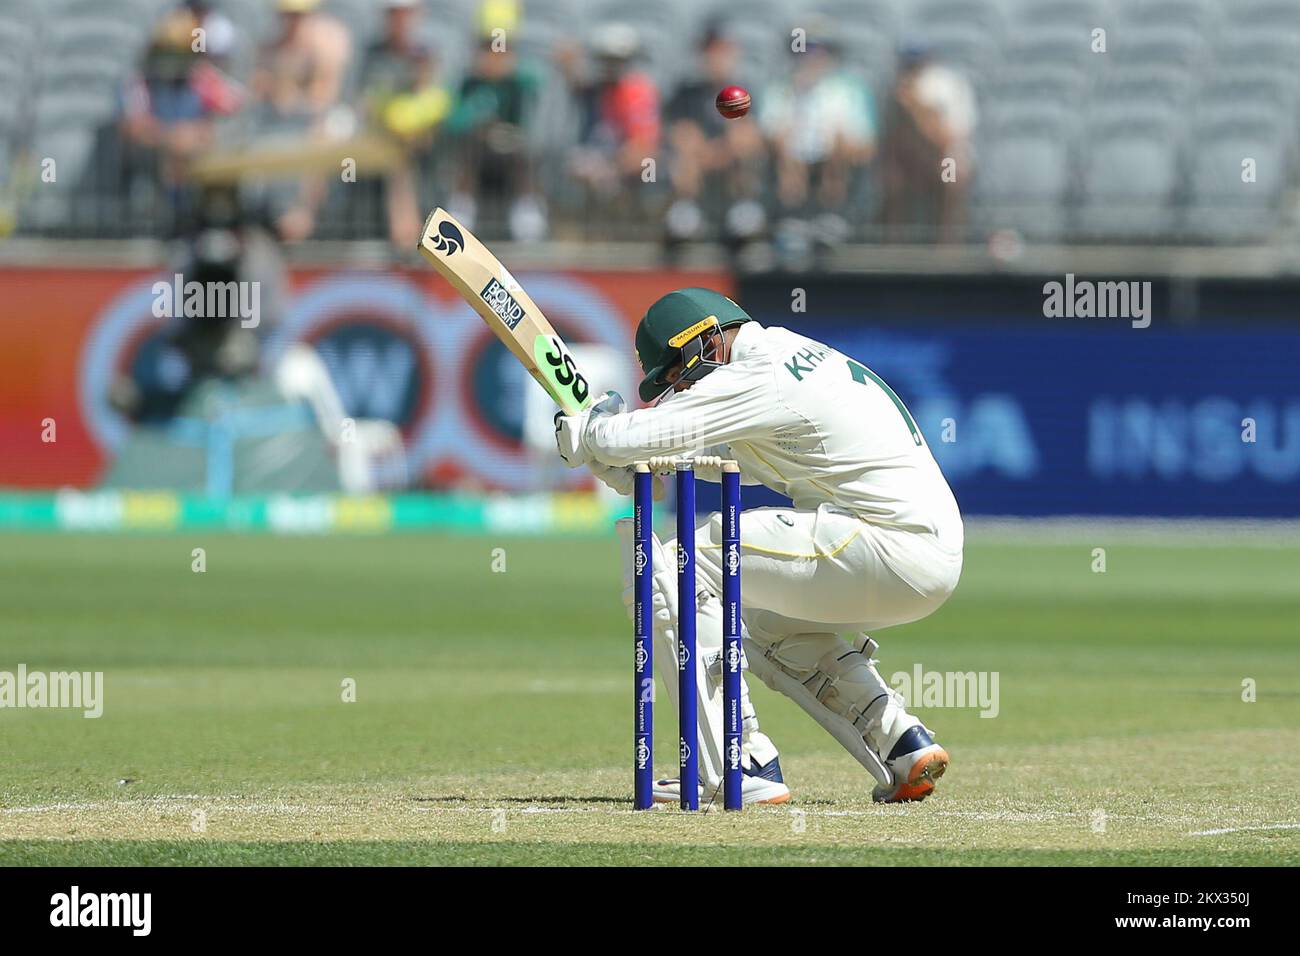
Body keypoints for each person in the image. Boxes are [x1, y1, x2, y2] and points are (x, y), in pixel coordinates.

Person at [554, 288, 963, 806]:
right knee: (760, 621)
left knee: (685, 564)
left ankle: (738, 759)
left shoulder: (759, 371)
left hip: (885, 543)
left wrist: (596, 434)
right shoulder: (786, 362)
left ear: (706, 340)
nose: (680, 387)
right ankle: (901, 740)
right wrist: (622, 457)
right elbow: (696, 451)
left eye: (679, 372)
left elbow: (632, 437)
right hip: (916, 551)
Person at [759, 34, 876, 255]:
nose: (810, 58)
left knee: (837, 149)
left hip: (835, 163)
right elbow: (769, 135)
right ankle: (792, 216)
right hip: (792, 164)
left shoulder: (850, 91)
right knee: (786, 151)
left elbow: (865, 145)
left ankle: (831, 214)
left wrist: (835, 151)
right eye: (804, 50)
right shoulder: (779, 89)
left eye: (817, 50)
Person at [661, 23, 766, 250]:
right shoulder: (687, 92)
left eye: (721, 51)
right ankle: (687, 210)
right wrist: (704, 150)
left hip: (730, 161)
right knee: (685, 149)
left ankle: (742, 208)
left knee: (742, 143)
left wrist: (720, 151)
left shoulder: (744, 91)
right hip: (699, 161)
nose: (715, 58)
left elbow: (749, 135)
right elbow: (681, 132)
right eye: (710, 52)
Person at [360, 0, 450, 247]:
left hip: (422, 138)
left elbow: (432, 98)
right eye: (393, 14)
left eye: (403, 13)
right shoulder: (373, 54)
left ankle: (410, 233)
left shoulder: (425, 52)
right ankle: (407, 233)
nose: (399, 20)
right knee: (397, 158)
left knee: (403, 155)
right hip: (385, 136)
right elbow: (368, 102)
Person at [882, 45, 978, 243]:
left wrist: (917, 108)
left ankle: (947, 249)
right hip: (913, 158)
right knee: (893, 179)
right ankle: (894, 248)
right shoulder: (898, 91)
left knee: (949, 179)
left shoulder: (946, 86)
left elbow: (947, 138)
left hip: (948, 155)